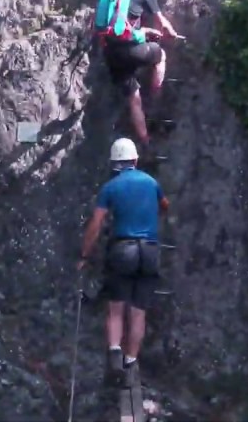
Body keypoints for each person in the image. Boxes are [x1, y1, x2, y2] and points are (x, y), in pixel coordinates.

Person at [77, 137, 170, 387]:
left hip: (123, 249)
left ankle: (115, 355)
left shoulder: (111, 187)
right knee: (138, 312)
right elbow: (165, 206)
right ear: (135, 160)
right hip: (149, 251)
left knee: (116, 308)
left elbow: (96, 224)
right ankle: (130, 362)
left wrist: (84, 255)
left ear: (114, 163)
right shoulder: (151, 182)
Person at [91, 0, 180, 147]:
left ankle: (145, 140)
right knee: (160, 56)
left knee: (133, 97)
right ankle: (155, 95)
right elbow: (163, 24)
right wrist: (171, 34)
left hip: (110, 53)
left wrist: (144, 31)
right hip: (131, 50)